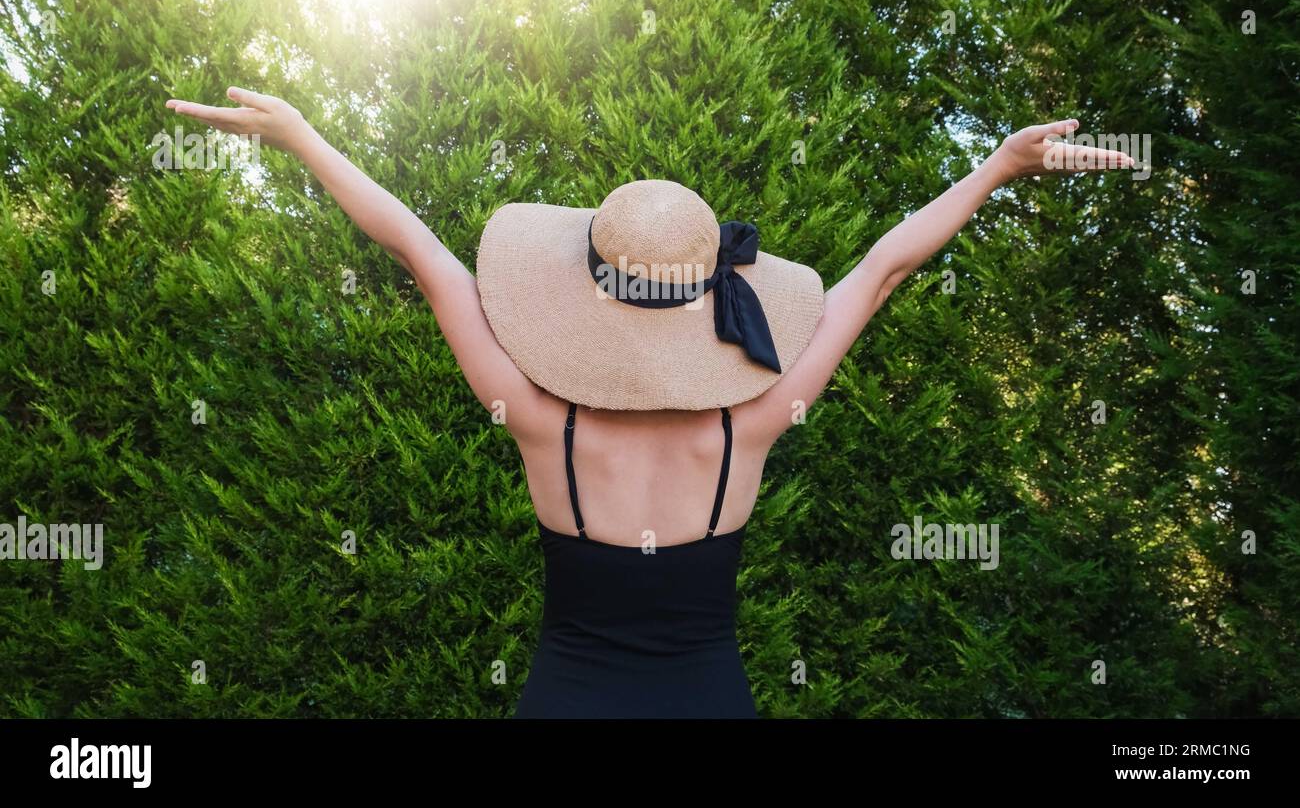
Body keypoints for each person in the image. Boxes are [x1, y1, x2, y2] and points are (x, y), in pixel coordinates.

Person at [165, 87, 1135, 717]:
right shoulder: (754, 415)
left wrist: (300, 134)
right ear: (703, 289)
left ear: (590, 292)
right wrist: (997, 167)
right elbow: (881, 268)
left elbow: (418, 251)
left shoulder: (535, 412)